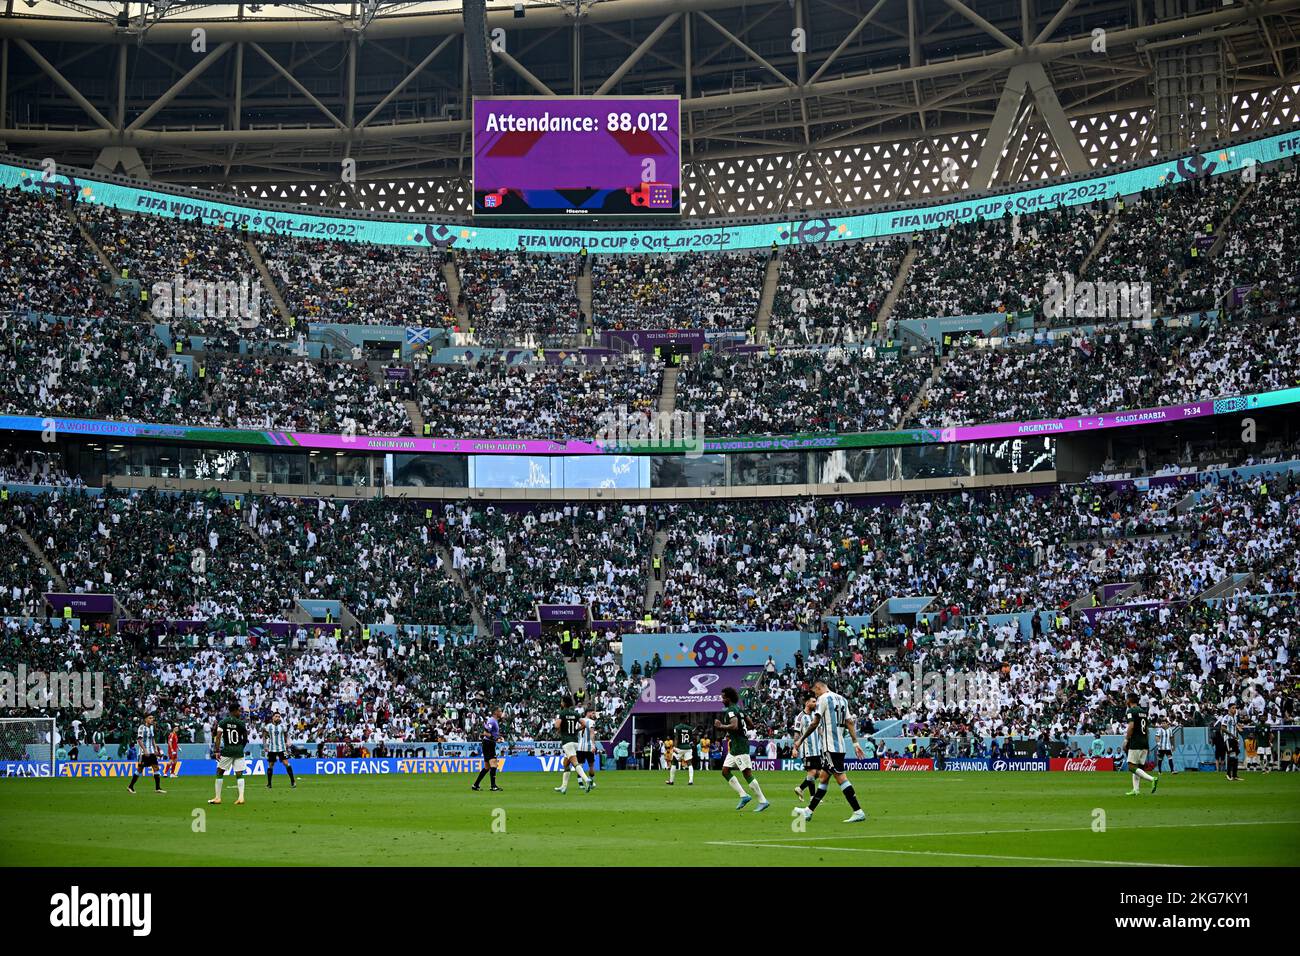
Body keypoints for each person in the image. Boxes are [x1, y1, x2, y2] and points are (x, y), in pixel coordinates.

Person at [790, 679, 866, 823]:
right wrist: (855, 742)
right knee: (823, 777)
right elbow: (849, 722)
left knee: (841, 778)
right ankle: (808, 811)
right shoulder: (842, 699)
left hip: (830, 747)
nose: (815, 696)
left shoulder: (823, 699)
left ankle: (858, 811)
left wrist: (800, 740)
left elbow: (815, 722)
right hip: (839, 746)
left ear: (819, 688)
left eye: (815, 692)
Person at [714, 687, 768, 812]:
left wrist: (721, 726)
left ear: (728, 698)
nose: (722, 700)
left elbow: (734, 725)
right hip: (735, 746)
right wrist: (741, 731)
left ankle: (763, 801)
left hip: (740, 746)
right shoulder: (740, 710)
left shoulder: (731, 711)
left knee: (747, 773)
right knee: (725, 771)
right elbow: (751, 725)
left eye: (723, 698)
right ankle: (744, 796)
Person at [209, 701, 249, 806]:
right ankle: (241, 797)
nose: (240, 713)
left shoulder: (223, 722)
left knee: (219, 772)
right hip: (238, 751)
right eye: (239, 711)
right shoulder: (241, 723)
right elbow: (245, 738)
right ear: (234, 711)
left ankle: (217, 798)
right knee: (239, 774)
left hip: (227, 751)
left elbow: (218, 737)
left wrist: (217, 751)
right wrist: (240, 747)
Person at [553, 694, 593, 795]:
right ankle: (563, 787)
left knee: (575, 763)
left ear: (564, 703)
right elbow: (584, 724)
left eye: (562, 701)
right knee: (566, 764)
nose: (561, 703)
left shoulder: (562, 713)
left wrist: (559, 729)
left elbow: (557, 725)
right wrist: (576, 730)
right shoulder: (575, 713)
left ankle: (586, 779)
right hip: (575, 741)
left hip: (567, 742)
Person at [1124, 692, 1159, 795]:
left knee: (1131, 766)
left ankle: (1152, 779)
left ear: (1129, 700)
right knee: (1137, 767)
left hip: (1136, 742)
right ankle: (1136, 790)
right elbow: (1147, 729)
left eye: (1127, 699)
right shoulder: (1143, 712)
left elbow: (1131, 726)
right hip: (1144, 742)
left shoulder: (1131, 711)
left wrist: (1126, 740)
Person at [792, 696, 823, 802]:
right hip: (807, 749)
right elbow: (796, 734)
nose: (816, 704)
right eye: (813, 702)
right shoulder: (800, 717)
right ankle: (808, 794)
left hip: (817, 749)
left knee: (818, 773)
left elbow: (819, 730)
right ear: (807, 702)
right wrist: (794, 748)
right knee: (812, 772)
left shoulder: (815, 715)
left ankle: (802, 789)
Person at [127, 714, 165, 795]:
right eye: (150, 718)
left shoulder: (151, 728)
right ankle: (130, 786)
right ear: (145, 719)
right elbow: (139, 740)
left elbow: (153, 739)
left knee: (156, 768)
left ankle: (157, 788)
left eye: (152, 718)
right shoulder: (141, 727)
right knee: (140, 770)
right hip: (143, 753)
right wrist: (145, 750)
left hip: (151, 752)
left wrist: (155, 749)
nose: (152, 719)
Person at [471, 707, 505, 792]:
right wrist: (495, 739)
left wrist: (498, 738)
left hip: (488, 744)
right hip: (488, 744)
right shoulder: (492, 721)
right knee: (494, 764)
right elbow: (485, 732)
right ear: (496, 712)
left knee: (487, 767)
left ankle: (475, 785)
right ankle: (493, 786)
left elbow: (492, 733)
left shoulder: (494, 721)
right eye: (500, 711)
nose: (501, 713)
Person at [264, 712, 296, 790]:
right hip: (272, 749)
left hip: (282, 748)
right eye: (276, 716)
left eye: (279, 716)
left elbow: (286, 735)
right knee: (271, 765)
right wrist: (265, 745)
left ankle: (293, 781)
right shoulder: (268, 726)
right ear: (273, 718)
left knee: (286, 763)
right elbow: (264, 736)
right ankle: (269, 784)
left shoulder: (282, 726)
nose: (278, 718)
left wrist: (288, 741)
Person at [667, 718, 697, 786]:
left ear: (680, 720)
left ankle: (671, 781)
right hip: (688, 748)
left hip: (680, 748)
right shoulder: (689, 728)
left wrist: (674, 747)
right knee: (689, 763)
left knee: (674, 762)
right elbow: (691, 738)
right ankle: (691, 781)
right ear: (685, 720)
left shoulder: (677, 727)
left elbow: (676, 737)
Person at [576, 706, 599, 790]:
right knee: (591, 766)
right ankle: (591, 782)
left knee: (580, 766)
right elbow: (592, 734)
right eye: (592, 713)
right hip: (589, 747)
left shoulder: (579, 721)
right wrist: (593, 745)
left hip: (580, 747)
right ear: (588, 713)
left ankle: (580, 783)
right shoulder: (591, 722)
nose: (593, 714)